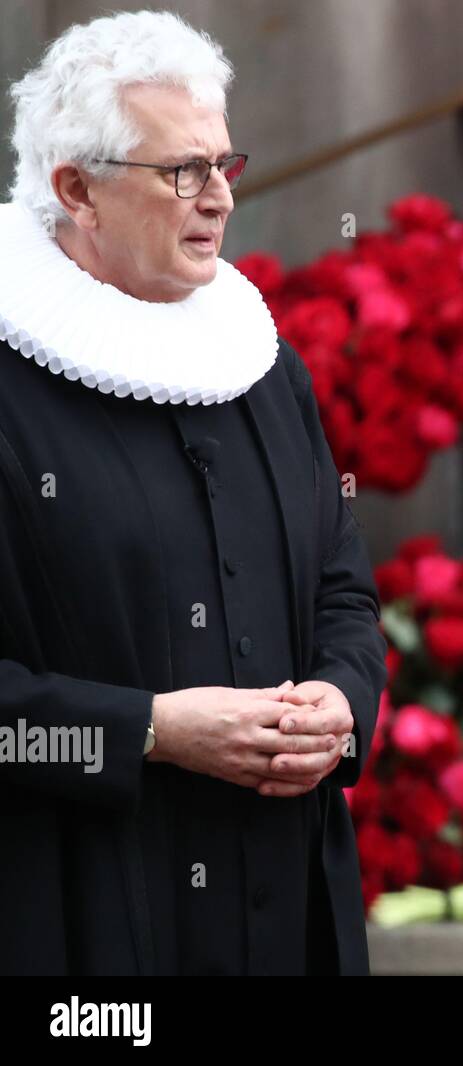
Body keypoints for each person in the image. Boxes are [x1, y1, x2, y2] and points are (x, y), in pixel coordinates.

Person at [0, 10, 387, 974]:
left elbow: (342, 588)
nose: (218, 197)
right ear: (76, 190)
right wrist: (153, 732)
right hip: (84, 921)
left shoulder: (260, 363)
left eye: (225, 164)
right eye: (184, 171)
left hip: (288, 910)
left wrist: (341, 705)